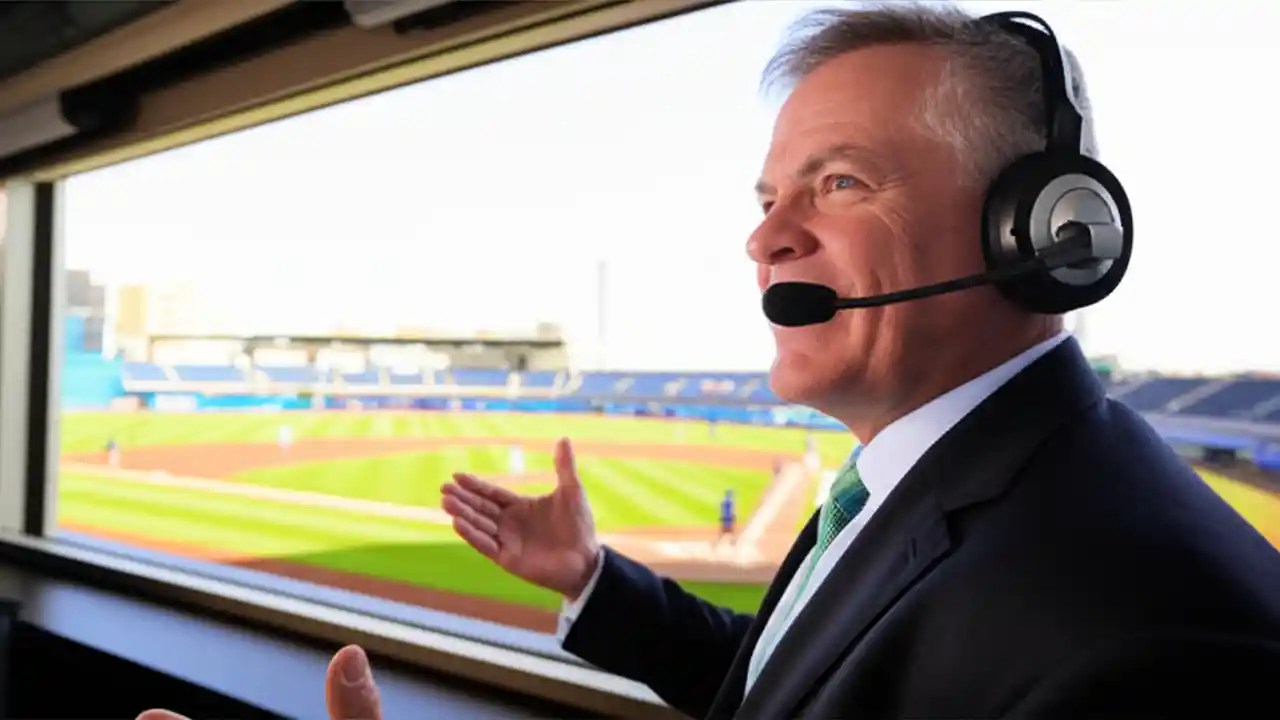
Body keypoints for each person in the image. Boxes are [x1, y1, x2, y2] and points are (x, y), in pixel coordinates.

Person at [438, 6, 1280, 719]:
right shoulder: (910, 474)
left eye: (839, 182)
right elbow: (806, 676)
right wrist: (591, 580)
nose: (764, 239)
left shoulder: (1150, 634)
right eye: (769, 200)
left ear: (1035, 234)